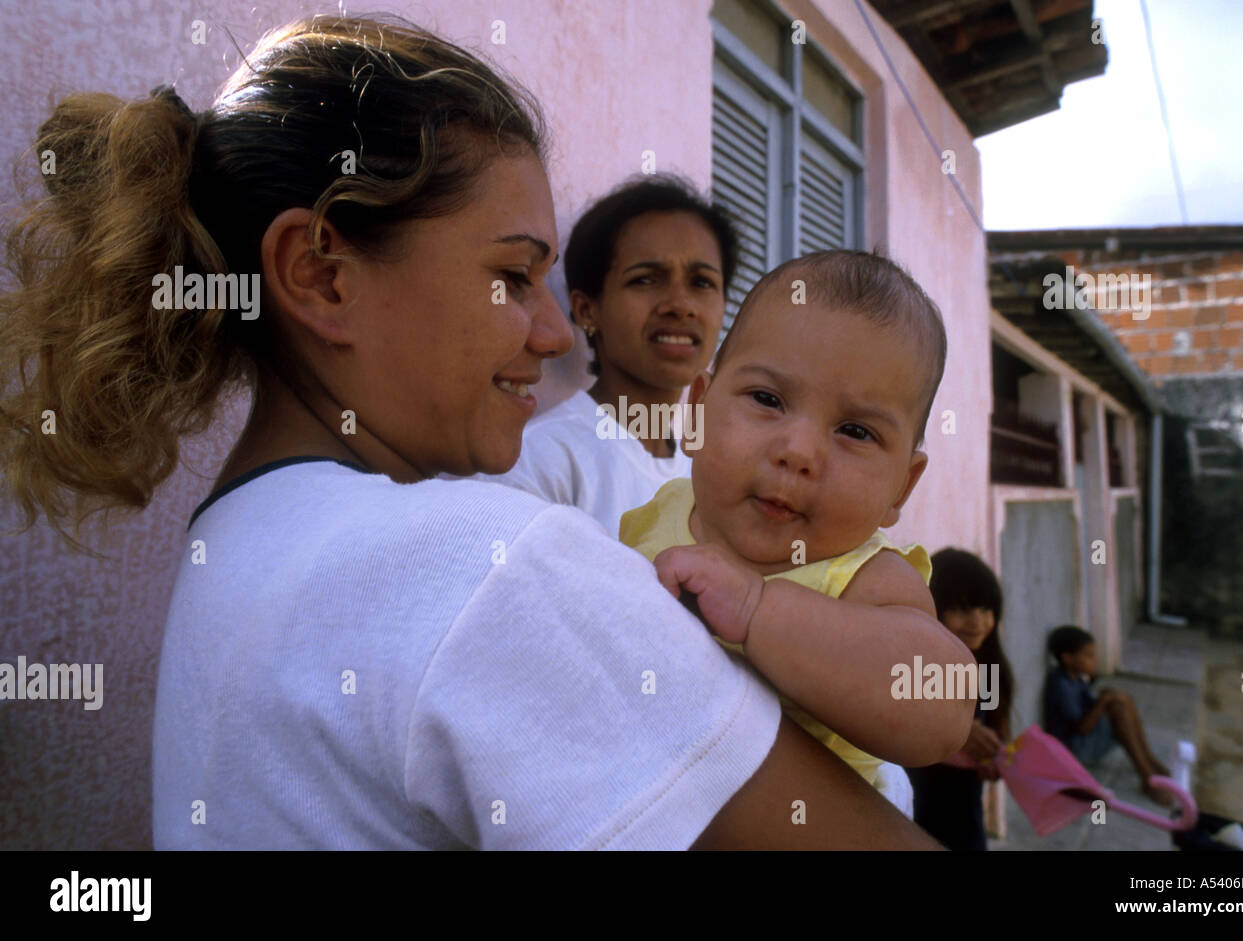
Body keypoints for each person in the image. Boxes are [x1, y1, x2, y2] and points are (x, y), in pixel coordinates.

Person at [0, 14, 943, 849]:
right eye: (513, 276)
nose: (551, 331)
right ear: (322, 275)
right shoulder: (481, 568)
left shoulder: (236, 536)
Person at [620, 250, 976, 800]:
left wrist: (757, 610)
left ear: (900, 489)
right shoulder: (658, 514)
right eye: (767, 399)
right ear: (695, 415)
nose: (799, 451)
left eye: (855, 432)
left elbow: (944, 704)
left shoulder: (862, 578)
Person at [482, 175, 737, 536]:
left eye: (702, 283)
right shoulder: (542, 464)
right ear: (587, 310)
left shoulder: (704, 476)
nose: (681, 305)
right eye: (646, 279)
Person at [905, 548, 1015, 851]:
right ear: (933, 607)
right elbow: (901, 721)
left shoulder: (989, 667)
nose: (977, 621)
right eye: (963, 609)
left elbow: (994, 726)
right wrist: (959, 730)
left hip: (963, 808)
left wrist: (995, 758)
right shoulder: (914, 665)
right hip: (914, 803)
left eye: (985, 609)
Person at [1045, 625, 1173, 805]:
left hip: (1083, 742)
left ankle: (1150, 762)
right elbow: (1081, 728)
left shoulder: (1076, 679)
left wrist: (1106, 696)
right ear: (1067, 658)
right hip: (1074, 750)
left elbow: (1091, 706)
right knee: (1117, 708)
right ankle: (1147, 777)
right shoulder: (1061, 685)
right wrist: (1103, 702)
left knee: (1123, 699)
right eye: (1088, 656)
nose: (1094, 661)